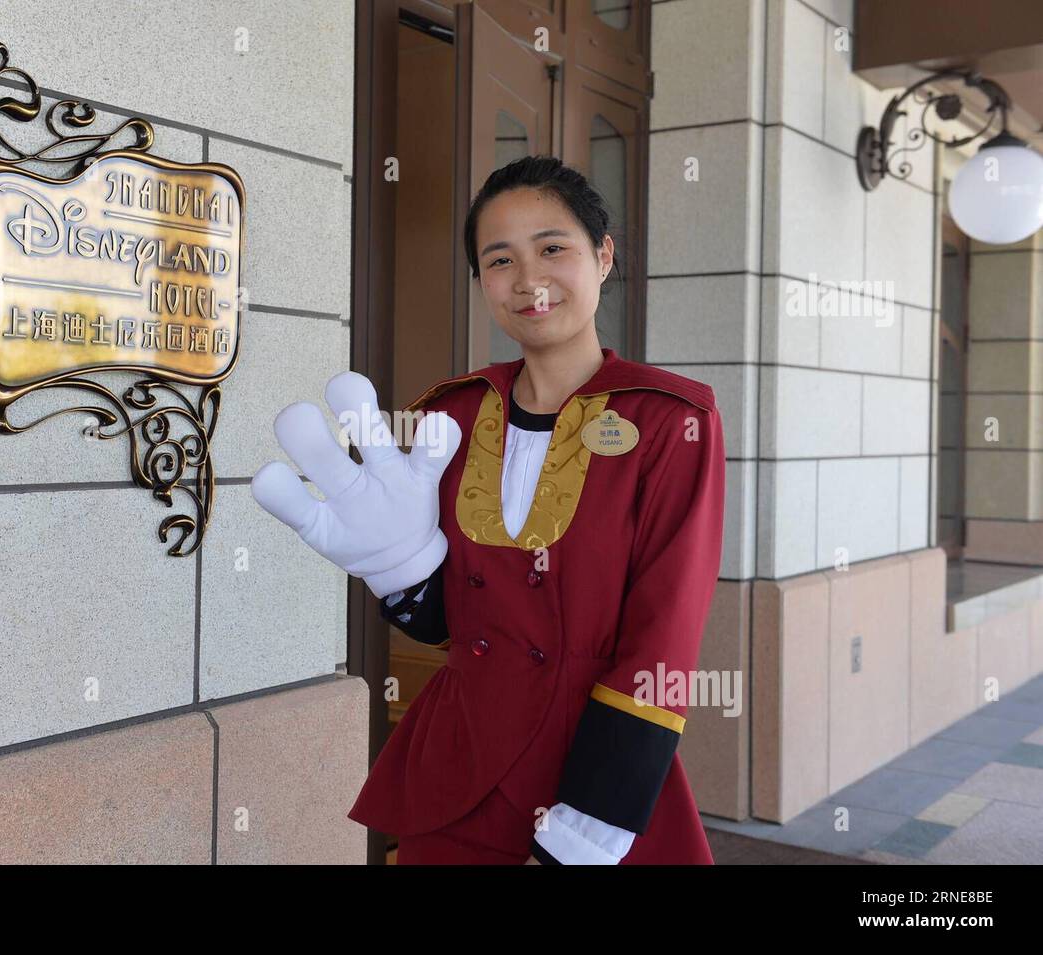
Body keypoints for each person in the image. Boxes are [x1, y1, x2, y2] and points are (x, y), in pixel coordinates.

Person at [252, 155, 725, 864]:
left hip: (591, 784)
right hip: (457, 767)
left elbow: (665, 631)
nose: (529, 279)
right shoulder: (449, 416)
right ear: (482, 282)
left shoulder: (671, 418)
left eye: (553, 248)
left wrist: (581, 835)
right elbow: (449, 622)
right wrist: (402, 573)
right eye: (499, 260)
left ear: (603, 256)